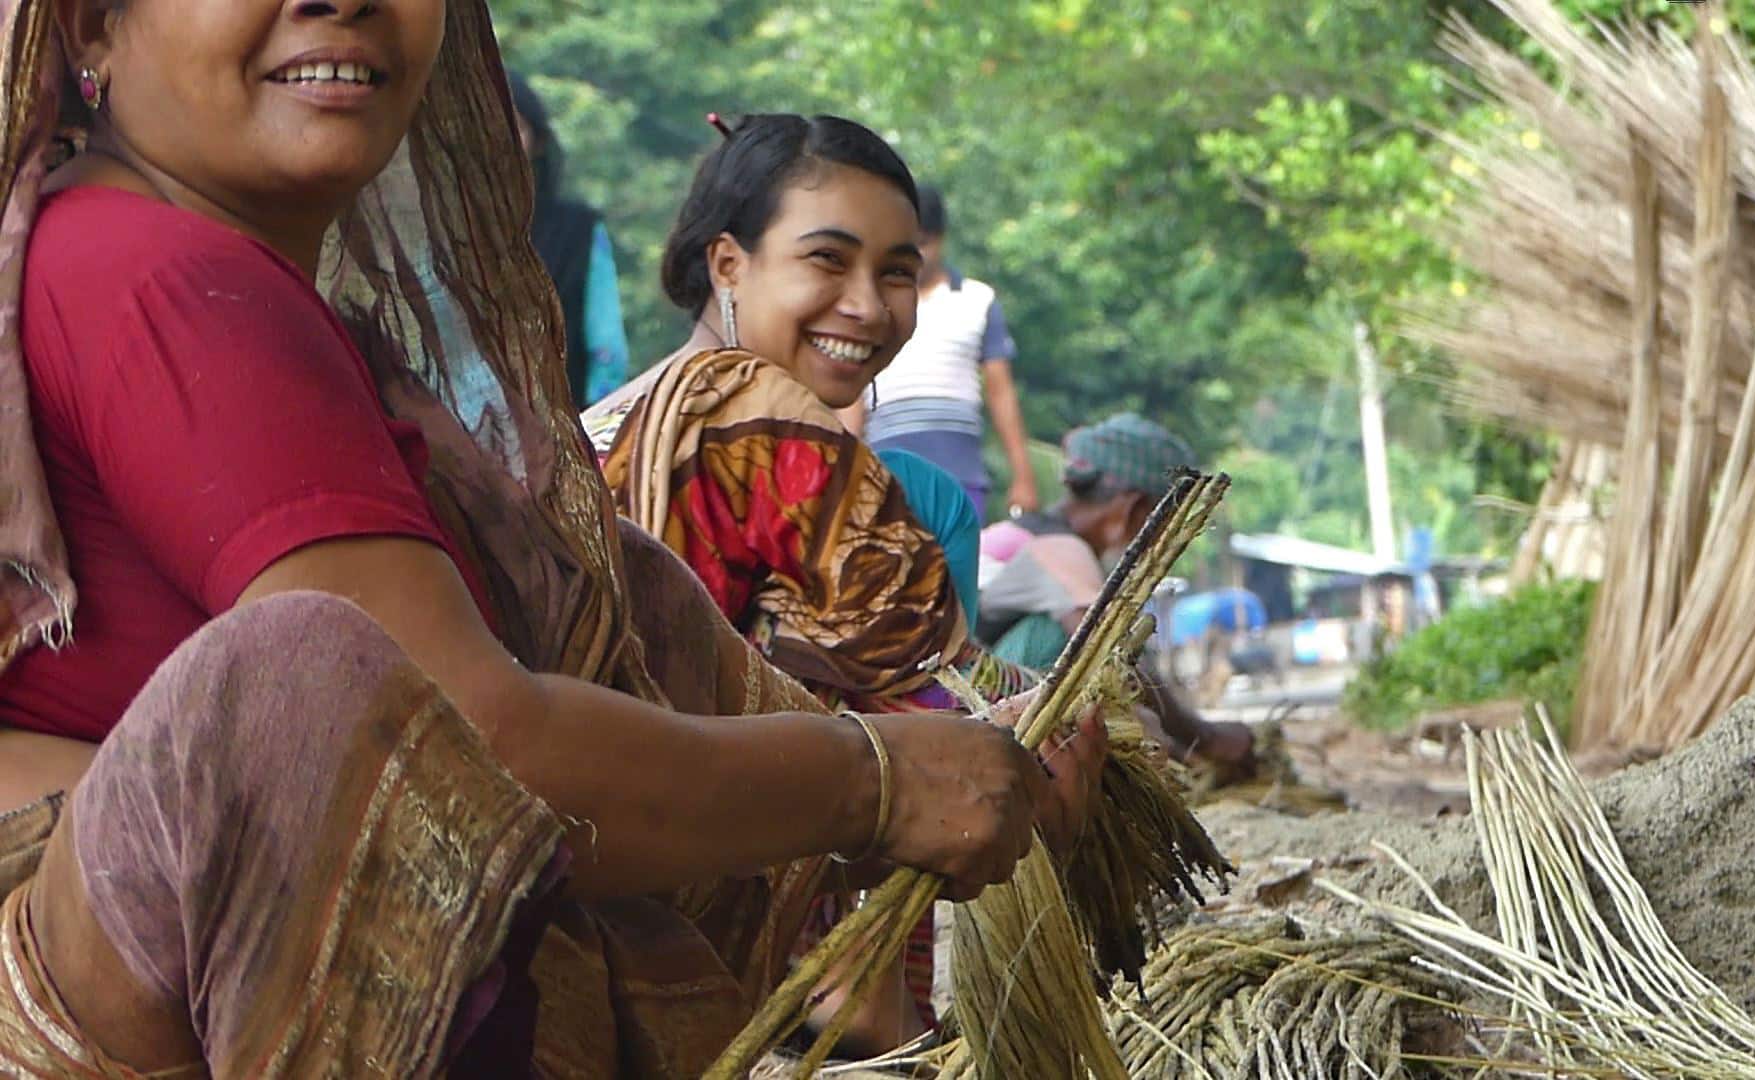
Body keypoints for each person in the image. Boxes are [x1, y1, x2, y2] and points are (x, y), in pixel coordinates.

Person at [0, 1, 1087, 1074]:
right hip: (100, 993)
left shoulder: (190, 270)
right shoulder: (161, 275)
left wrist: (958, 760)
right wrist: (879, 784)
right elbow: (470, 745)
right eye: (830, 263)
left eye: (898, 274)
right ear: (93, 25)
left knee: (618, 592)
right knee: (310, 676)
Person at [583, 115, 1096, 1052]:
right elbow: (926, 673)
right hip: (695, 852)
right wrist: (1064, 730)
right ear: (728, 264)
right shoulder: (771, 423)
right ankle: (861, 999)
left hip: (598, 854)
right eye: (828, 260)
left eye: (898, 272)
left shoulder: (603, 422)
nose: (868, 305)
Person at [980, 414, 1258, 776]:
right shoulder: (1058, 548)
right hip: (975, 716)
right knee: (1079, 653)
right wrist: (1206, 737)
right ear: (1135, 509)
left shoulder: (1026, 534)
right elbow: (1109, 655)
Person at [841, 184, 1040, 518]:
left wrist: (1023, 476)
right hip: (885, 478)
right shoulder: (871, 305)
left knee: (957, 568)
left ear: (941, 239)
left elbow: (1001, 392)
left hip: (960, 477)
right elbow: (853, 392)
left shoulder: (978, 301)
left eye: (922, 243)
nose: (915, 255)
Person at [508, 70, 631, 408]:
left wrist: (590, 432)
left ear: (539, 141)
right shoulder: (444, 232)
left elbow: (608, 351)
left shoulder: (581, 231)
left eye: (513, 127)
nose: (497, 139)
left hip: (565, 434)